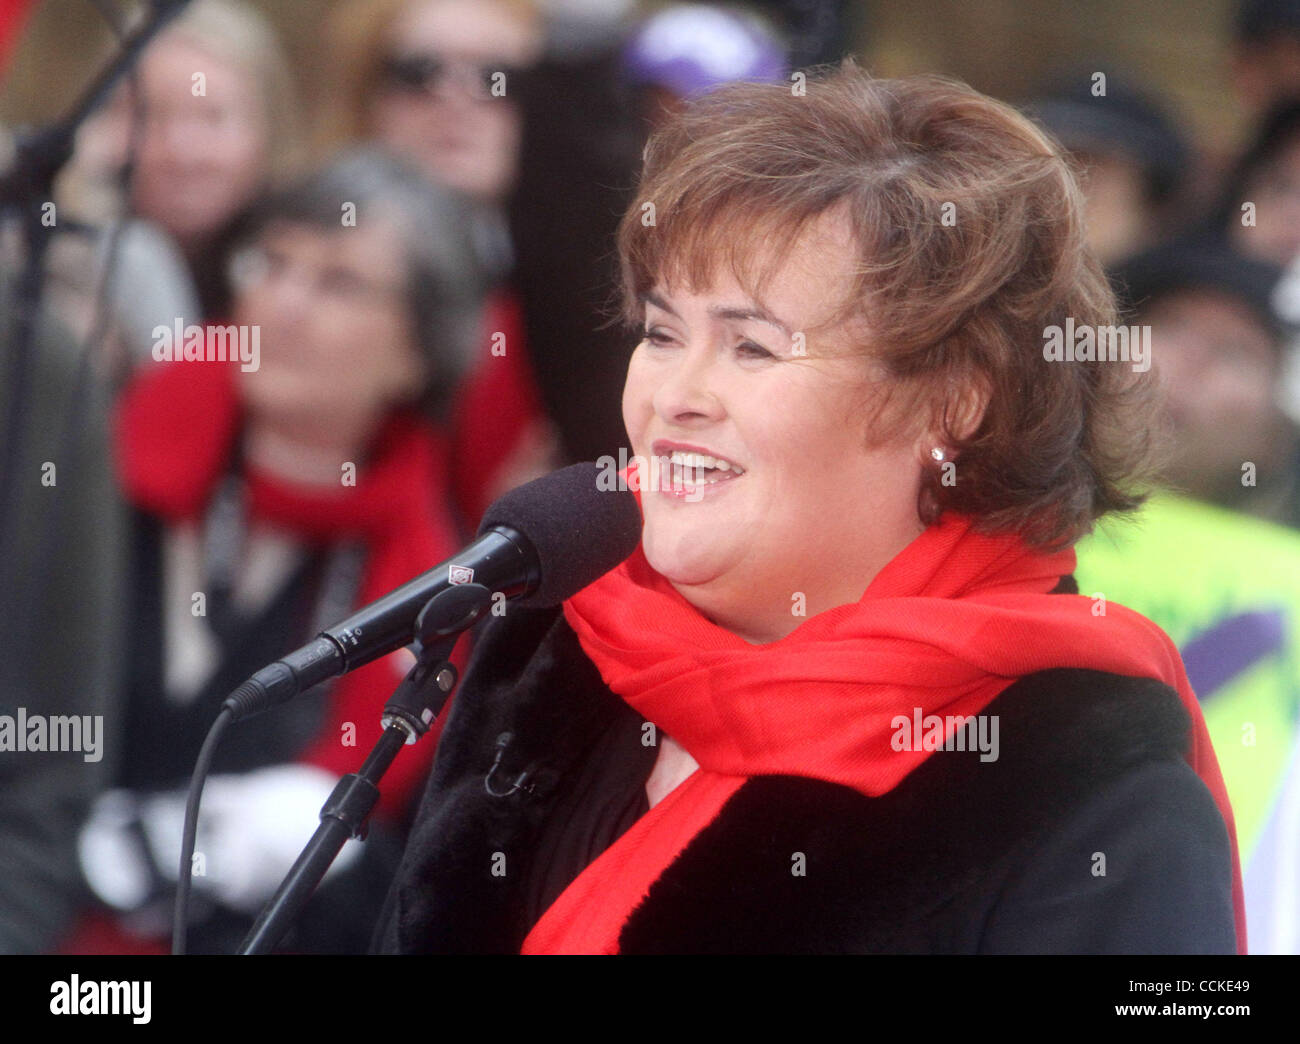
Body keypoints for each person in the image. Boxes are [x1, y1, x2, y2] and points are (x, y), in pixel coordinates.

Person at [376, 63, 1245, 954]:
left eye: (752, 348)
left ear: (952, 402)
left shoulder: (1088, 783)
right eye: (664, 333)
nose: (677, 394)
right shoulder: (558, 641)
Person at [61, 148, 485, 954]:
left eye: (337, 283)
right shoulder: (103, 458)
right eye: (273, 262)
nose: (281, 304)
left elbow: (393, 893)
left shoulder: (435, 593)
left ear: (416, 356)